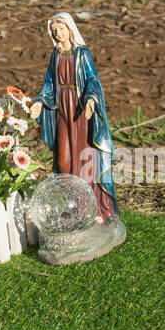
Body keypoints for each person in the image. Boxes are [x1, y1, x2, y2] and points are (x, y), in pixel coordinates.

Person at [29, 12, 119, 224]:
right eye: (54, 31)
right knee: (64, 160)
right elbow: (50, 82)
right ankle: (74, 207)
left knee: (85, 160)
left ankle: (94, 208)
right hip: (62, 111)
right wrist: (39, 101)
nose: (57, 34)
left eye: (60, 29)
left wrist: (90, 100)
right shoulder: (56, 55)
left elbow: (92, 79)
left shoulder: (83, 54)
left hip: (80, 113)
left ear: (70, 29)